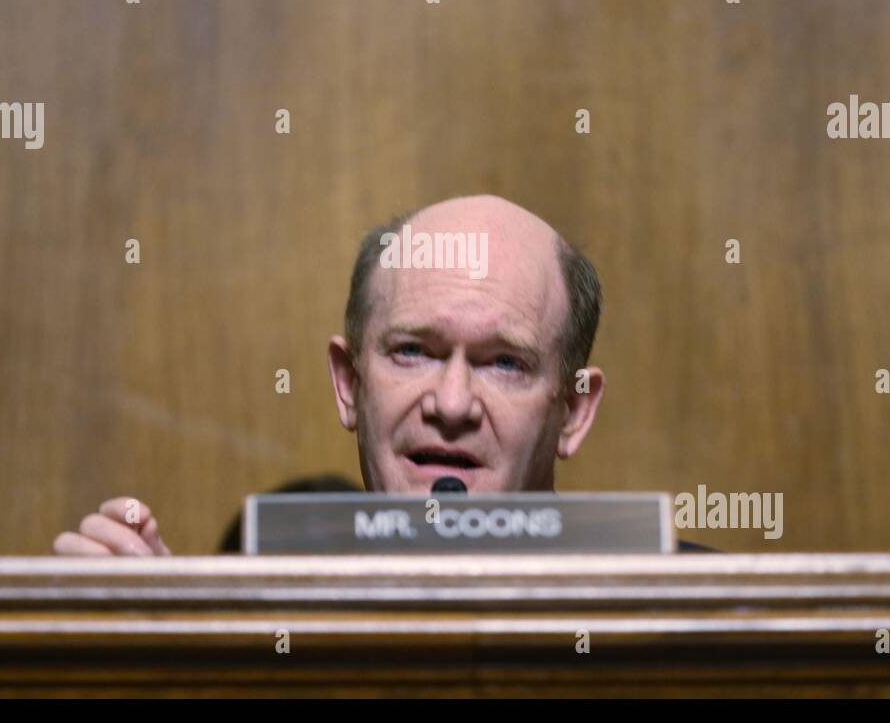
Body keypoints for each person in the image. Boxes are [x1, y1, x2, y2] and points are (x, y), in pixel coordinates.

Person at [54, 194, 711, 556]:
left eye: (504, 363)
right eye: (413, 352)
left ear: (574, 411)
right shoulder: (254, 627)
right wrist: (161, 658)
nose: (451, 403)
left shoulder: (717, 621)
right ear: (348, 382)